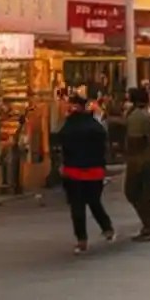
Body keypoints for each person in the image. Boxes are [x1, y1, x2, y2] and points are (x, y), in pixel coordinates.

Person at [56, 94, 115, 254]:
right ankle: (107, 228)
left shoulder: (69, 126)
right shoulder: (95, 125)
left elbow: (60, 143)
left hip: (74, 172)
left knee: (77, 206)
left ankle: (82, 240)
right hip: (94, 172)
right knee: (95, 202)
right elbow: (104, 146)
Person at [124, 86, 150, 242]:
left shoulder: (137, 116)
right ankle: (149, 225)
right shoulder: (148, 113)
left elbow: (136, 140)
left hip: (141, 160)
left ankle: (149, 226)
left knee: (133, 192)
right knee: (144, 194)